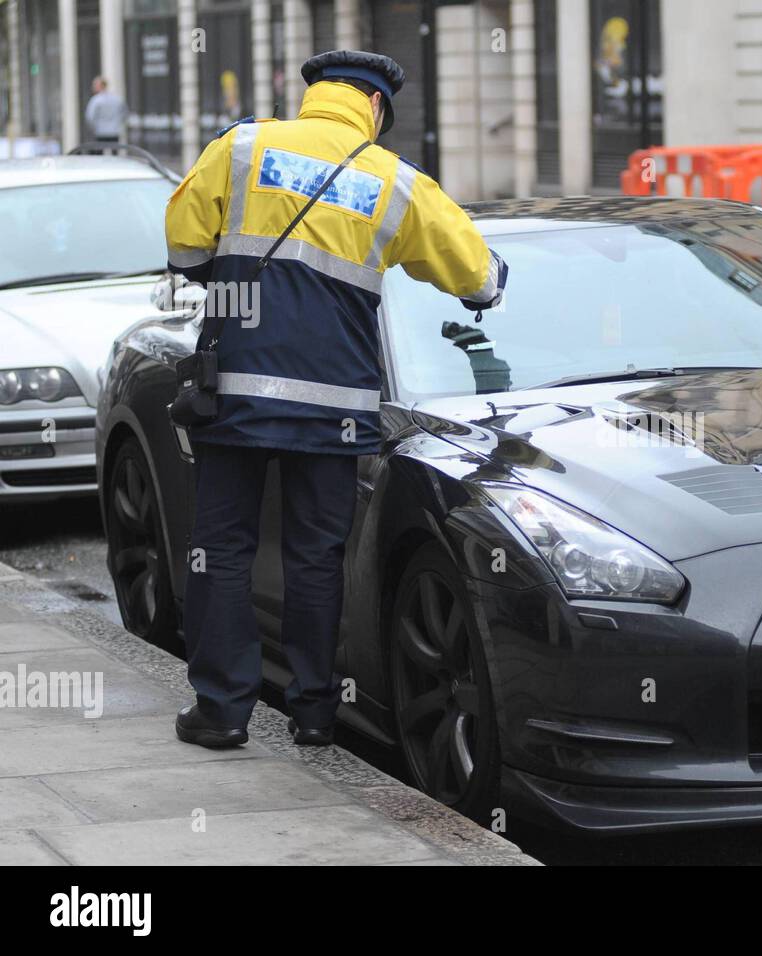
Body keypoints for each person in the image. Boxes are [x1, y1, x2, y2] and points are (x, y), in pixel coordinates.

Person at [163, 50, 507, 749]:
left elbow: (185, 248)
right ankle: (316, 713)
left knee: (222, 551)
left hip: (236, 395)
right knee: (316, 558)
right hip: (335, 405)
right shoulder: (395, 181)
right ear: (376, 109)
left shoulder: (245, 145)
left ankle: (223, 712)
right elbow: (477, 276)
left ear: (314, 94)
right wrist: (492, 279)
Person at [84, 76, 127, 143]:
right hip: (114, 131)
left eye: (95, 85)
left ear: (100, 86)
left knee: (99, 151)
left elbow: (90, 116)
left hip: (100, 132)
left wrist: (93, 128)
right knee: (115, 151)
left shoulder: (95, 100)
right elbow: (124, 114)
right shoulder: (117, 99)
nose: (93, 87)